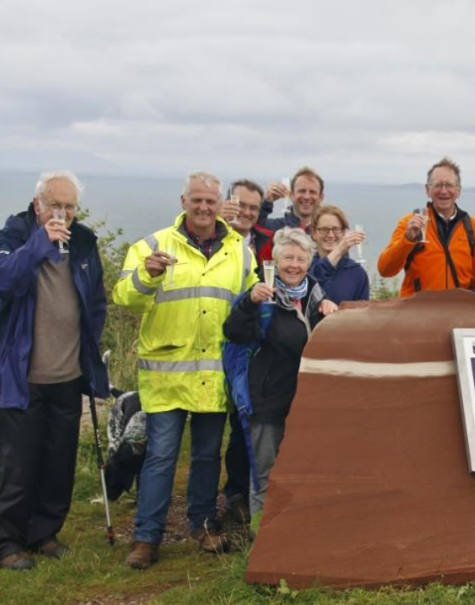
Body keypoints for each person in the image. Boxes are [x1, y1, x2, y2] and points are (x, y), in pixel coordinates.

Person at [113, 171, 258, 570]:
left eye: (210, 201)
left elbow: (249, 306)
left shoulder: (241, 251)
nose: (203, 207)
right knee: (160, 456)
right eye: (196, 200)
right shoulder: (152, 245)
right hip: (166, 375)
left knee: (208, 457)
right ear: (183, 201)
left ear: (219, 203)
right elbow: (124, 296)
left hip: (214, 376)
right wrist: (148, 274)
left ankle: (202, 525)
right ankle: (147, 537)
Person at [0, 170, 109, 570]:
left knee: (58, 462)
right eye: (55, 205)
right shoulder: (17, 233)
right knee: (18, 462)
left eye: (70, 206)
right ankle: (3, 543)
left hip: (68, 373)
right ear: (38, 205)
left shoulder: (85, 240)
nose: (63, 214)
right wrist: (40, 243)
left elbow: (97, 301)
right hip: (23, 374)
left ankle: (43, 533)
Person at [222, 228, 337, 513]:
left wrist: (333, 312)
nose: (294, 265)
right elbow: (233, 332)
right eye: (288, 257)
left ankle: (293, 538)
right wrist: (249, 303)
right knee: (265, 476)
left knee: (301, 473)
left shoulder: (316, 297)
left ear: (309, 263)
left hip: (307, 405)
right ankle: (261, 542)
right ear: (273, 260)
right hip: (267, 403)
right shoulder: (260, 295)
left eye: (300, 259)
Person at [219, 179, 273, 527]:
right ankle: (223, 501)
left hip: (250, 346)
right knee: (216, 430)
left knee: (244, 427)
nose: (248, 213)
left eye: (255, 207)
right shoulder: (214, 236)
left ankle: (239, 496)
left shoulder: (265, 240)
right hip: (215, 342)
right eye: (242, 206)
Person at [377, 157, 475, 296]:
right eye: (437, 185)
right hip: (418, 310)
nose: (443, 191)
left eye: (449, 185)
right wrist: (408, 239)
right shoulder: (409, 223)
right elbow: (385, 269)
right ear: (427, 190)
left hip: (458, 311)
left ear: (458, 191)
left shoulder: (472, 226)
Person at [308, 204, 370, 303]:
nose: (331, 235)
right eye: (324, 229)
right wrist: (339, 250)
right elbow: (311, 284)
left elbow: (361, 313)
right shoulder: (304, 266)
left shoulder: (357, 273)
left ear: (344, 233)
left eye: (336, 229)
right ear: (314, 233)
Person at [258, 167, 325, 232]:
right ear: (291, 195)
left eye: (312, 192)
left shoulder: (328, 232)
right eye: (302, 191)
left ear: (321, 197)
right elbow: (252, 224)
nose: (306, 197)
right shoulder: (275, 228)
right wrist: (267, 202)